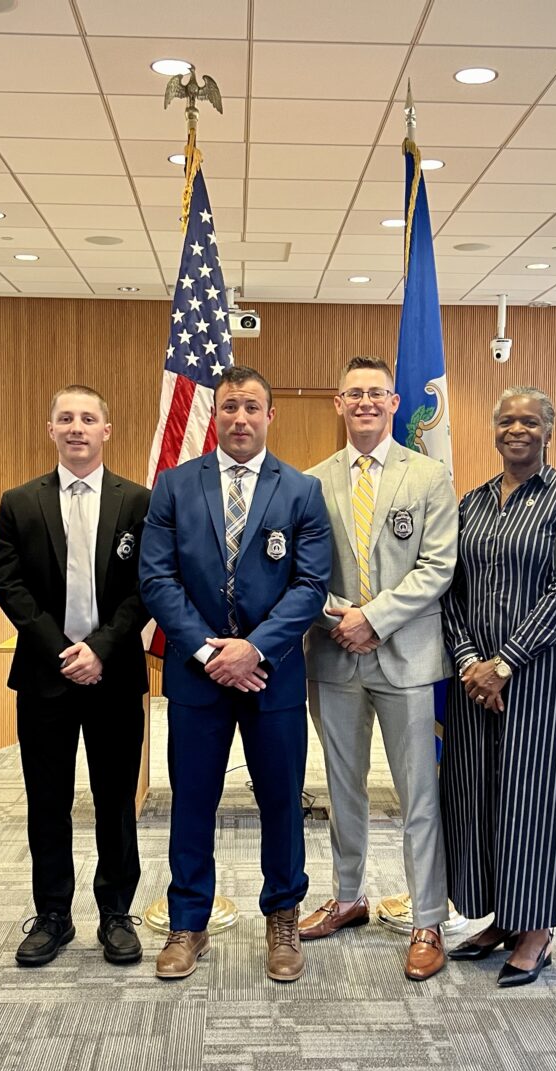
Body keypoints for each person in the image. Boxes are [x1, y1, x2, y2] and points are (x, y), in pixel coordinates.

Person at [139, 365, 331, 982]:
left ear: (271, 416)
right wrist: (208, 652)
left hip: (271, 675)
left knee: (281, 800)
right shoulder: (173, 486)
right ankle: (187, 922)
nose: (240, 418)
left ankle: (282, 919)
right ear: (215, 415)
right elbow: (157, 579)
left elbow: (309, 586)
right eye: (229, 408)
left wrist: (253, 650)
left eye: (252, 407)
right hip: (196, 678)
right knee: (193, 801)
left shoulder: (301, 491)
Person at [299, 355, 457, 981]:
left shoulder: (428, 476)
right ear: (337, 404)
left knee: (419, 794)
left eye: (376, 394)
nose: (364, 403)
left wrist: (375, 617)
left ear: (395, 404)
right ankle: (346, 897)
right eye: (352, 394)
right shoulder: (311, 482)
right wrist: (344, 619)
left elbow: (439, 567)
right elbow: (302, 576)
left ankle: (426, 919)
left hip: (408, 660)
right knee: (344, 790)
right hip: (335, 656)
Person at [441, 386, 556, 988]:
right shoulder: (472, 503)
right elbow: (450, 589)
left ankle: (537, 932)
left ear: (548, 431)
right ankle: (504, 916)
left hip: (538, 681)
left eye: (529, 421)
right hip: (472, 679)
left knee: (535, 800)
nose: (516, 429)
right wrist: (468, 661)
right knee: (480, 796)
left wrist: (503, 663)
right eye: (506, 420)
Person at [0, 385, 152, 968]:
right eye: (66, 418)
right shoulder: (19, 501)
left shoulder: (138, 500)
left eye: (88, 418)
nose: (77, 427)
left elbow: (146, 586)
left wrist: (102, 649)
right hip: (44, 677)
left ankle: (116, 913)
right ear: (51, 429)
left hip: (113, 675)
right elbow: (9, 584)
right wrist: (63, 650)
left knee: (115, 799)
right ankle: (53, 915)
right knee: (47, 801)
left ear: (106, 430)